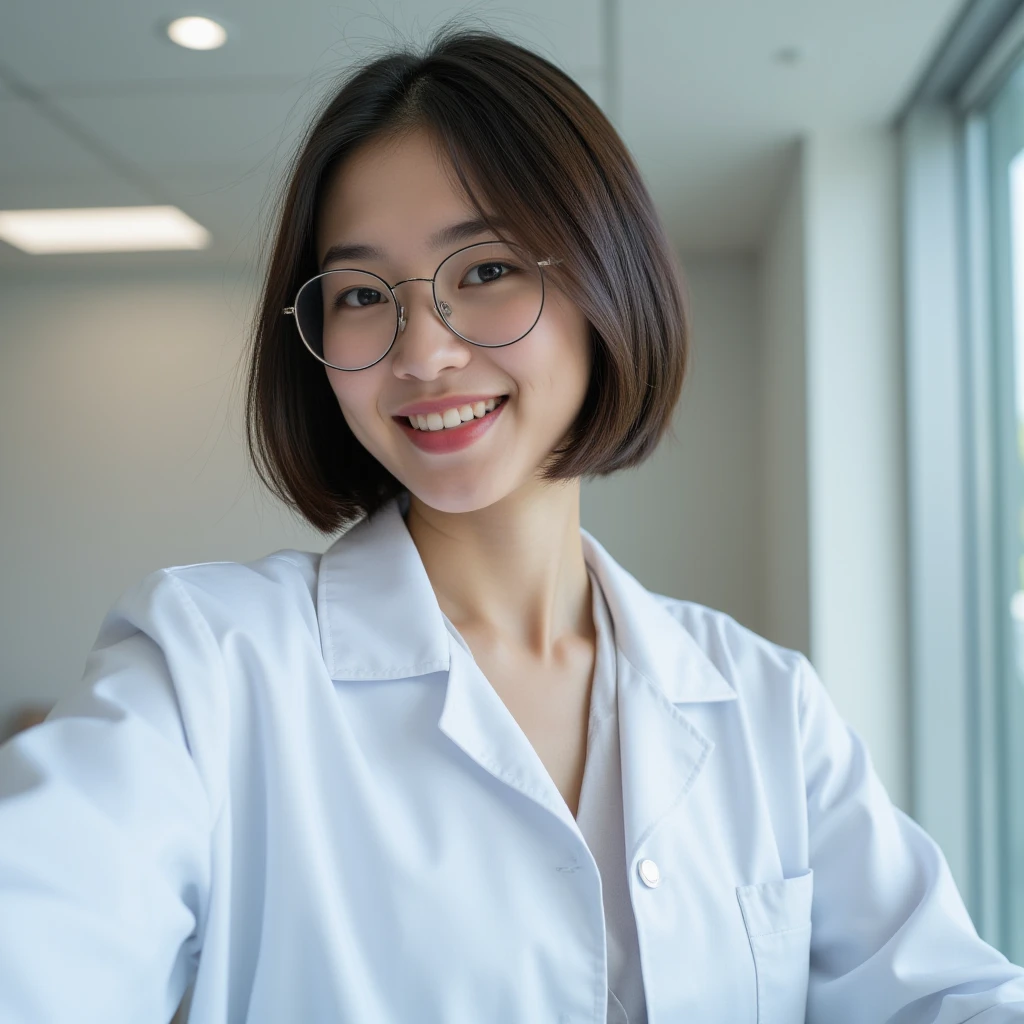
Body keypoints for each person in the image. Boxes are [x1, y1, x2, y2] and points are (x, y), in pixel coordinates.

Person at [1, 28, 1022, 1024]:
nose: (422, 351)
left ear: (603, 279)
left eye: (484, 270)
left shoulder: (765, 706)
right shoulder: (206, 669)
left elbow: (945, 992)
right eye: (362, 293)